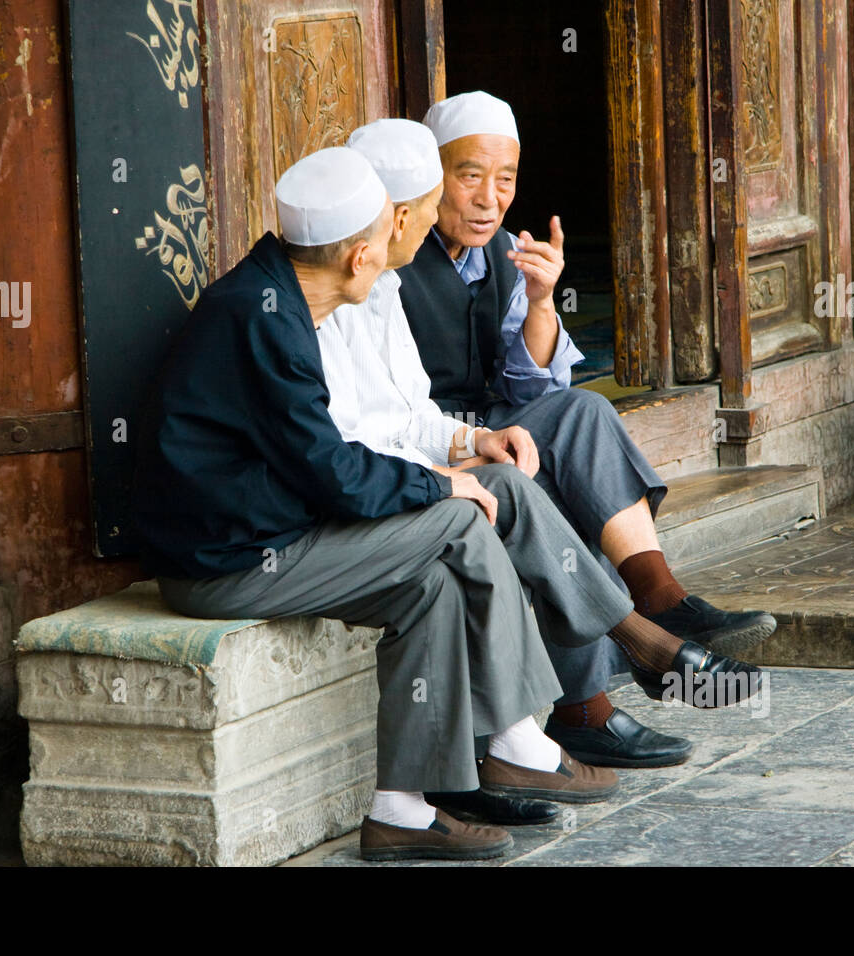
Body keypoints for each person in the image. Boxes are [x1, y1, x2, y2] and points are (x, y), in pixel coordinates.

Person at [132, 147, 751, 862]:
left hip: (272, 530)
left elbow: (340, 454)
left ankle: (402, 808)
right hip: (229, 563)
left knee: (434, 581)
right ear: (362, 257)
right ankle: (538, 724)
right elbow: (331, 469)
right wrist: (439, 481)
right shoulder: (267, 317)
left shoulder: (280, 292)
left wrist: (460, 454)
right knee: (464, 514)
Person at [390, 91, 776, 759]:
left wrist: (541, 303)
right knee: (551, 493)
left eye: (505, 179)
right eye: (469, 175)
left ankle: (657, 597)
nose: (490, 198)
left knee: (584, 413)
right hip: (423, 441)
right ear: (432, 179)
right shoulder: (393, 255)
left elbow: (531, 386)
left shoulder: (508, 254)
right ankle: (587, 709)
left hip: (493, 427)